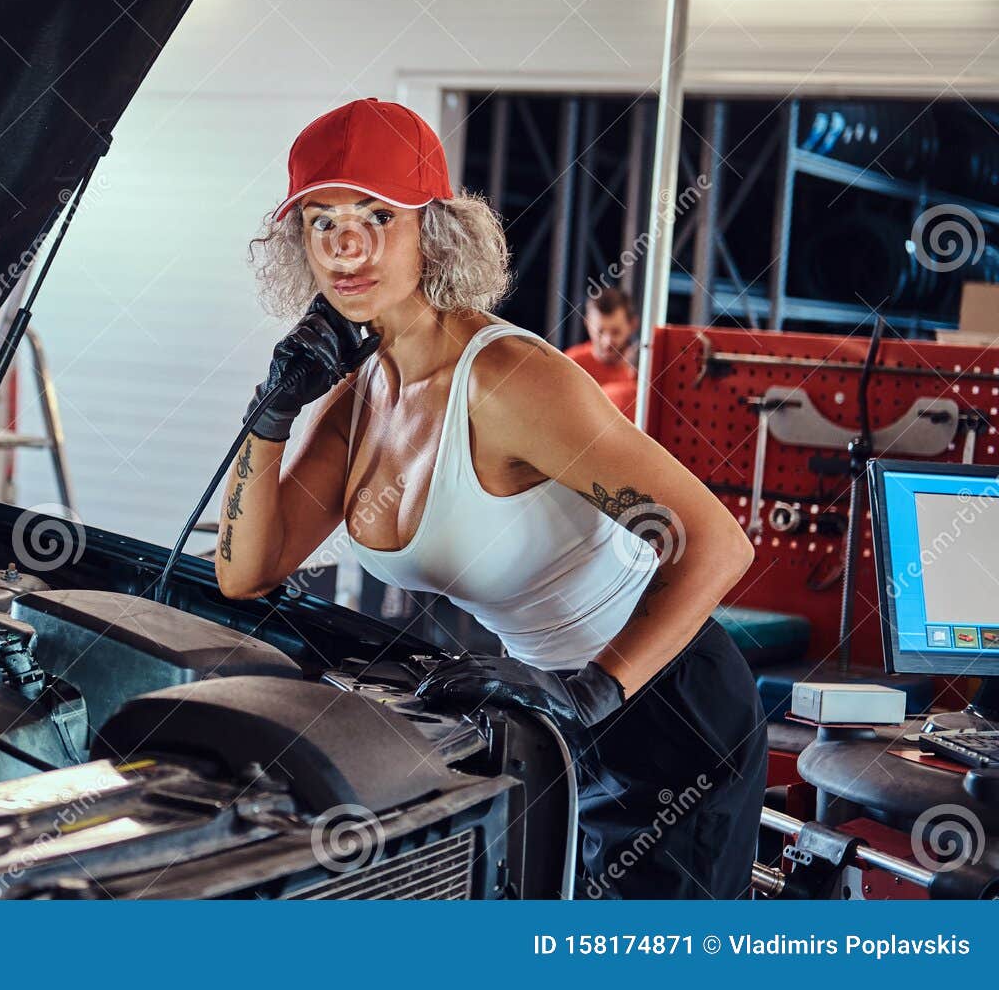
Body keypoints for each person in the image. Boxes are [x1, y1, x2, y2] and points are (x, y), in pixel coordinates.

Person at [215, 97, 766, 899]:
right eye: (320, 219)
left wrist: (593, 692)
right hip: (552, 708)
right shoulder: (358, 396)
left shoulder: (505, 382)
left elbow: (719, 543)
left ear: (432, 229)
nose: (346, 245)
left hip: (664, 703)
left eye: (378, 214)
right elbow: (246, 572)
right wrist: (271, 411)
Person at [567, 288, 640, 419]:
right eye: (600, 332)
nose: (607, 341)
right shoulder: (571, 364)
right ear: (587, 324)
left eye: (616, 332)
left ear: (632, 325)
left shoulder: (642, 371)